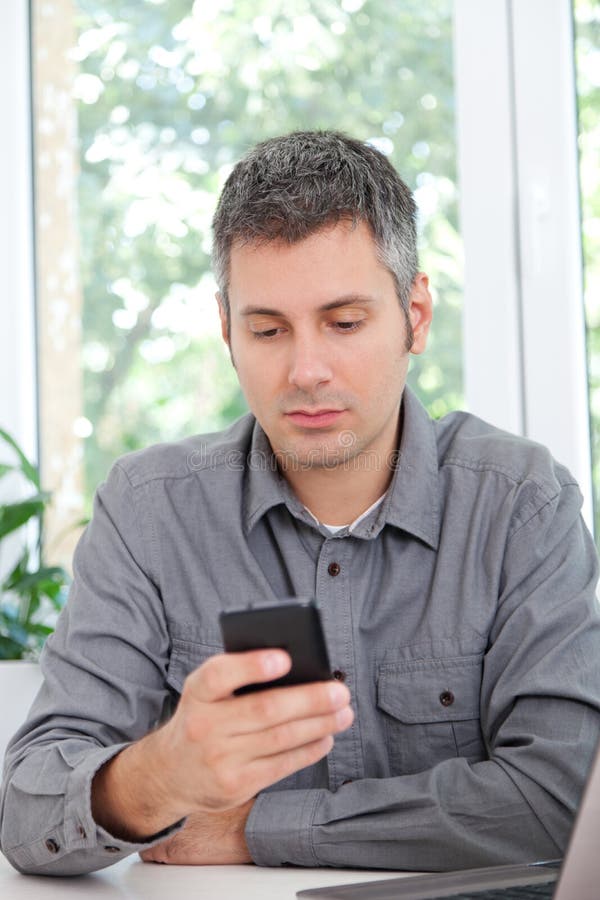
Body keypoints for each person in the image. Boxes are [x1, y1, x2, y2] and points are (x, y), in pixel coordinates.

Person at [1, 130, 599, 877]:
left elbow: (561, 798)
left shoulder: (520, 506)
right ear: (227, 330)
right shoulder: (149, 511)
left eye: (344, 323)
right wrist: (161, 773)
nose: (306, 370)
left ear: (415, 315)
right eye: (267, 329)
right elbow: (28, 812)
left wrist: (260, 828)